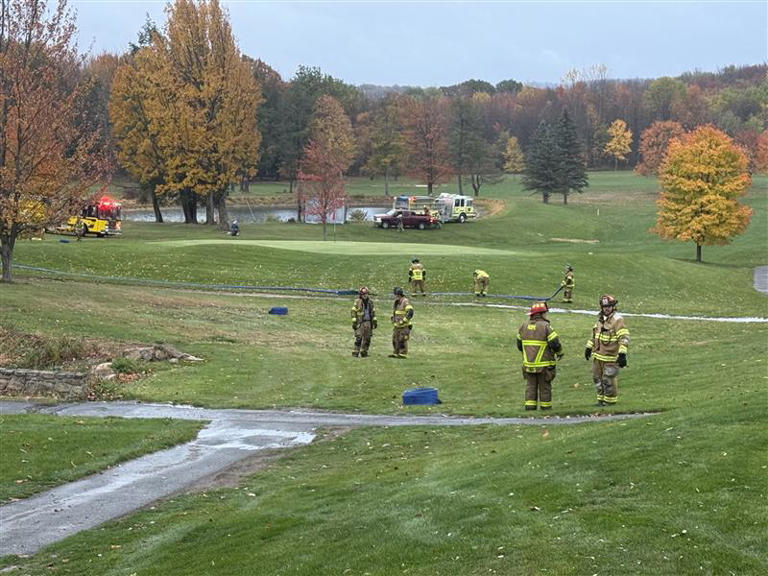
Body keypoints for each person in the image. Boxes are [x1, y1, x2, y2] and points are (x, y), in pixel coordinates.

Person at [517, 301, 563, 410]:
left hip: (528, 365)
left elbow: (519, 345)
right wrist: (560, 353)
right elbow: (555, 343)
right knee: (545, 387)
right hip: (544, 365)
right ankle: (545, 409)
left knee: (530, 387)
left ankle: (530, 408)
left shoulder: (523, 326)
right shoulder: (546, 326)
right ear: (541, 314)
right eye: (545, 313)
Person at [585, 294, 630, 406]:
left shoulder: (618, 320)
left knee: (608, 379)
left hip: (610, 358)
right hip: (598, 357)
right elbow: (595, 335)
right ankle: (600, 400)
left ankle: (610, 402)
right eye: (604, 306)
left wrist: (622, 354)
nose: (606, 308)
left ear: (613, 307)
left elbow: (624, 337)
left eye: (609, 306)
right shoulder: (600, 320)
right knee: (597, 378)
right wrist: (589, 347)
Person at [351, 287, 377, 357]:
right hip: (360, 322)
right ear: (360, 294)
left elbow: (373, 312)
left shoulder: (370, 302)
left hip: (368, 322)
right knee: (359, 337)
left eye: (366, 294)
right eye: (363, 294)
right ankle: (355, 352)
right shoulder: (357, 302)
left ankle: (364, 352)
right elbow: (353, 311)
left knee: (367, 338)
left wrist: (374, 321)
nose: (365, 295)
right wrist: (354, 321)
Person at [389, 286, 414, 358]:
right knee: (395, 339)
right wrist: (393, 319)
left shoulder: (405, 301)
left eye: (395, 295)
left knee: (402, 339)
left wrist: (403, 321)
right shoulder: (396, 302)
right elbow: (395, 312)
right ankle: (396, 352)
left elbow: (410, 312)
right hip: (397, 325)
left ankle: (403, 353)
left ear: (398, 295)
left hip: (404, 325)